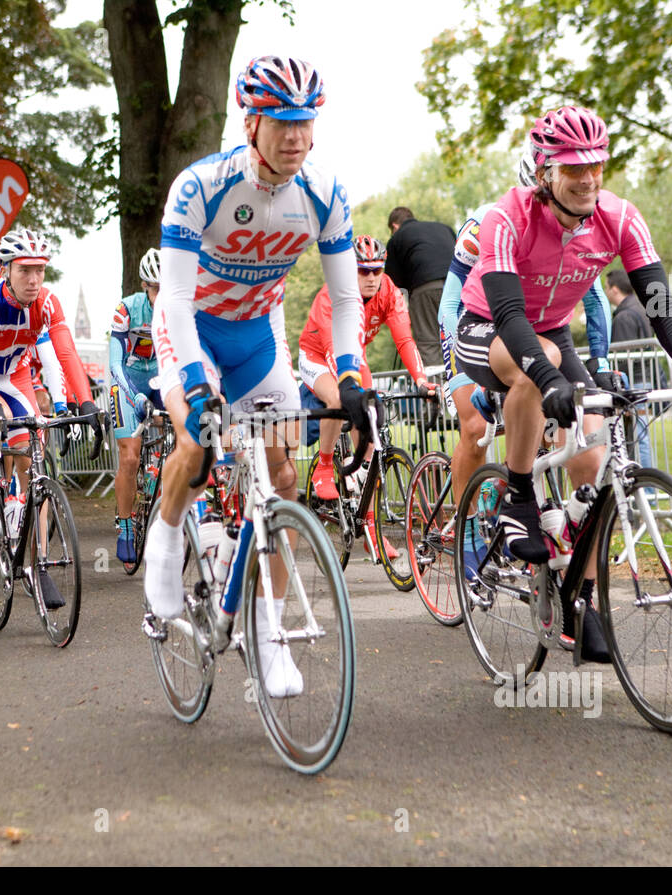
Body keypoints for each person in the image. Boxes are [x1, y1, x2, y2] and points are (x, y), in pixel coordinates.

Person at [453, 105, 672, 664]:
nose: (587, 178)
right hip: (488, 327)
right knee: (544, 362)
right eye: (572, 168)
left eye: (596, 166)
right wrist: (549, 376)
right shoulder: (507, 217)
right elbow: (509, 314)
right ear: (543, 173)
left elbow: (658, 302)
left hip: (552, 331)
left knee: (594, 444)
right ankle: (518, 495)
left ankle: (573, 588)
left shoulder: (620, 217)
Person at [145, 54, 368, 697]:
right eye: (281, 121)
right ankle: (164, 545)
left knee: (283, 477)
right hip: (193, 329)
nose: (296, 136)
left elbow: (346, 300)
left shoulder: (324, 193)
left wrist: (350, 377)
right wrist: (193, 384)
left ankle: (269, 636)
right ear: (251, 123)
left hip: (257, 338)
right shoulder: (201, 186)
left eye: (306, 121)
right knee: (197, 441)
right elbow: (179, 302)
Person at [439, 145, 615, 534]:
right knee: (473, 428)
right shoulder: (490, 220)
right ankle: (467, 534)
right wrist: (473, 375)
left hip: (541, 336)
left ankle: (554, 536)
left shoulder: (578, 224)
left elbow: (595, 297)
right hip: (482, 328)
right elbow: (449, 304)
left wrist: (600, 362)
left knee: (566, 423)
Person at [0, 228, 101, 609]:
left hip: (14, 374)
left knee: (35, 449)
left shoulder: (48, 302)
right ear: (5, 270)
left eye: (40, 270)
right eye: (24, 271)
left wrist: (84, 403)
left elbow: (65, 354)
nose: (34, 280)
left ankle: (38, 564)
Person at [299, 233, 434, 552]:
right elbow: (335, 355)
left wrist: (422, 380)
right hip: (318, 356)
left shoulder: (388, 291)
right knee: (337, 398)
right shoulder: (332, 296)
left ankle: (370, 523)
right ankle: (325, 465)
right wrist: (352, 392)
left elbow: (405, 341)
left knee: (371, 428)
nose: (372, 277)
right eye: (363, 270)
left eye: (377, 269)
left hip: (354, 356)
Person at [109, 248, 163, 566]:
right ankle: (126, 526)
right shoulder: (126, 309)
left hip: (159, 381)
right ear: (145, 285)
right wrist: (135, 398)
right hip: (127, 382)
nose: (161, 296)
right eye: (155, 289)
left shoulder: (178, 309)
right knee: (130, 456)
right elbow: (115, 364)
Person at [385, 206, 456, 368]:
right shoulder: (443, 228)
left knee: (429, 343)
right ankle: (470, 390)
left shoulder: (397, 238)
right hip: (459, 286)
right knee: (462, 340)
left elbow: (393, 283)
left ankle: (438, 391)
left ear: (394, 226)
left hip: (425, 288)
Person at [604, 268, 657, 465]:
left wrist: (622, 392)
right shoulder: (640, 309)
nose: (606, 292)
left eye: (607, 287)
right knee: (639, 435)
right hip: (643, 379)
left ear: (615, 289)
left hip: (632, 383)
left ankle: (646, 492)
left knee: (637, 438)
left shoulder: (624, 317)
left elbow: (621, 359)